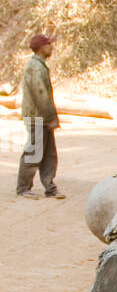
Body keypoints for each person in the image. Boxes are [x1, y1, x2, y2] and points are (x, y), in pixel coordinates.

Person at [16, 33, 65, 200]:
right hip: (37, 116)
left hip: (41, 116)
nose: (52, 47)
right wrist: (51, 116)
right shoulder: (35, 67)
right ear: (41, 47)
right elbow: (41, 94)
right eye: (48, 44)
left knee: (49, 153)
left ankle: (50, 188)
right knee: (35, 151)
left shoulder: (39, 65)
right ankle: (23, 188)